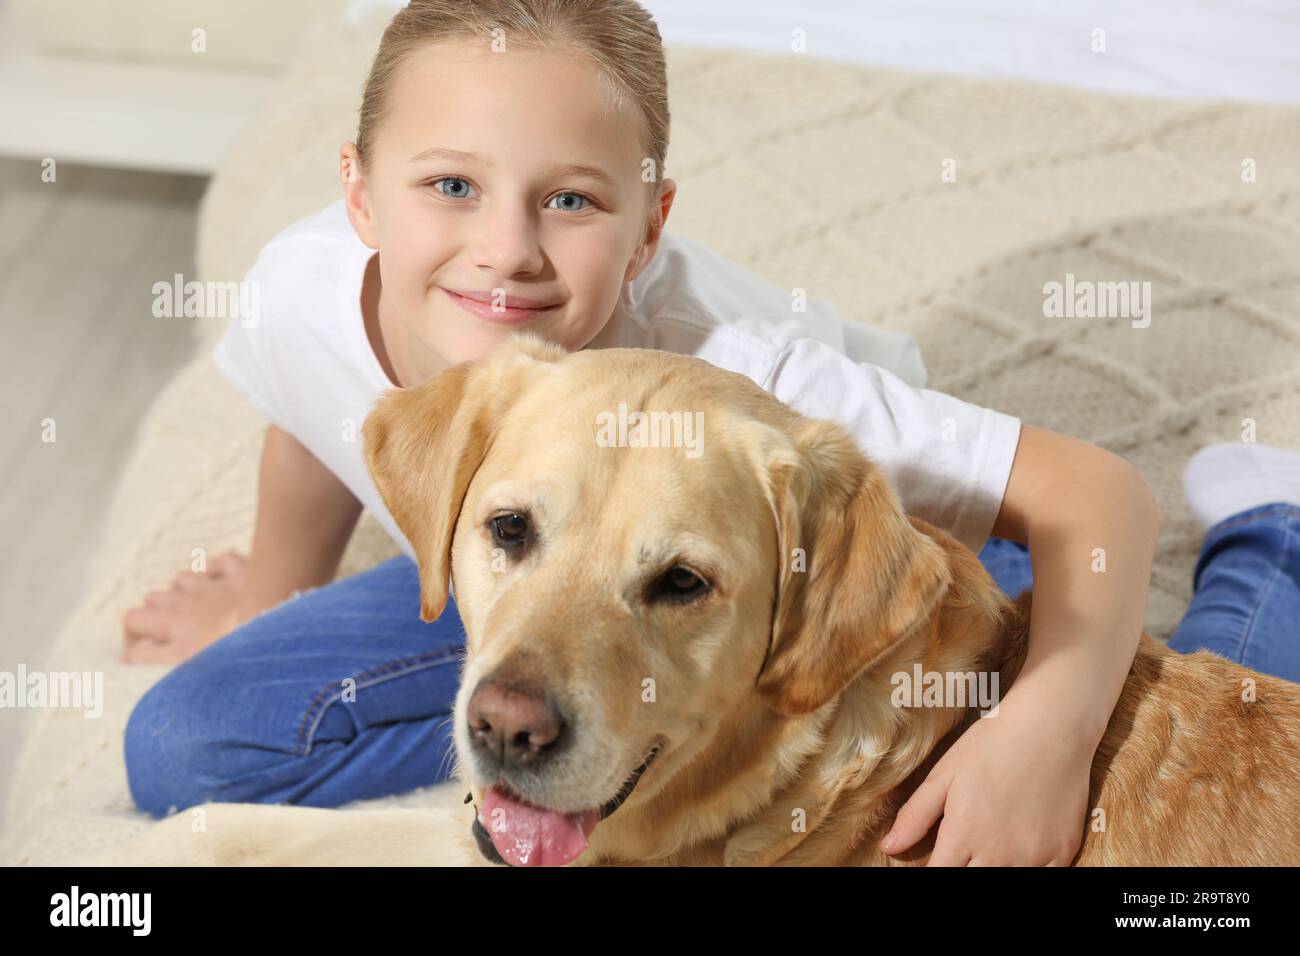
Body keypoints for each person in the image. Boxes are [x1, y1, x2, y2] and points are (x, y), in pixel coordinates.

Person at [117, 0, 1258, 867]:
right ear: (358, 198)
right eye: (450, 185)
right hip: (609, 557)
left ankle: (1269, 543)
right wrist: (270, 581)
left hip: (854, 541)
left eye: (570, 200)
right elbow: (310, 404)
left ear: (650, 222)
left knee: (1161, 742)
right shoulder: (303, 287)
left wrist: (1044, 733)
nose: (503, 250)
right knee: (182, 745)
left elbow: (1096, 494)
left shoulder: (763, 384)